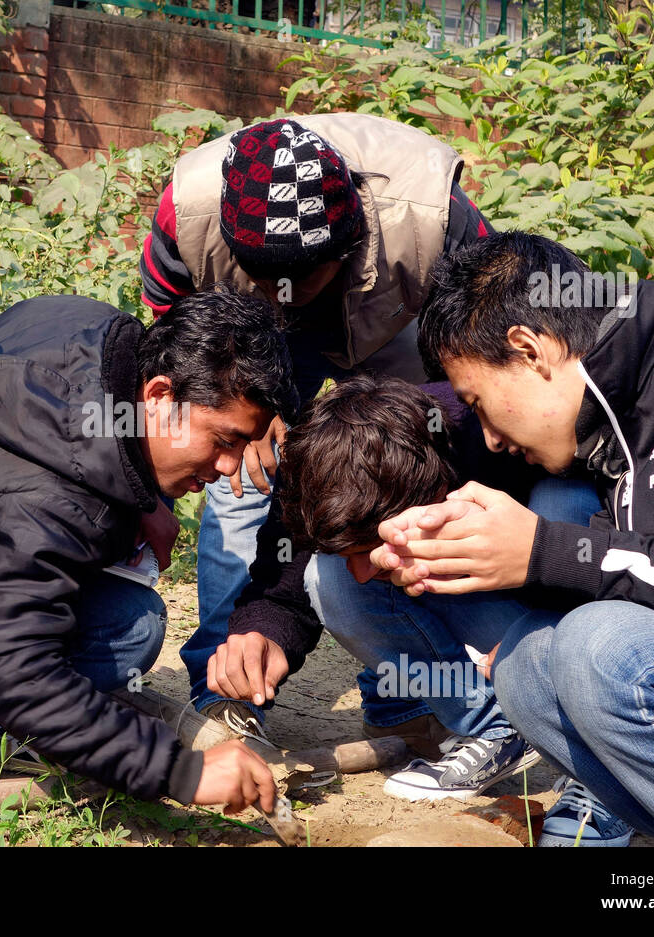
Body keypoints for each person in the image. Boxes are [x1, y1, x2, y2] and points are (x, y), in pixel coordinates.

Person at [0, 289, 298, 811]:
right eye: (223, 440)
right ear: (159, 396)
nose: (229, 467)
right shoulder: (43, 488)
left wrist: (135, 505)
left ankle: (12, 730)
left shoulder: (99, 337)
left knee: (112, 609)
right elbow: (16, 670)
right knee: (126, 627)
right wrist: (180, 772)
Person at [380, 230, 654, 845]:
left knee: (603, 650)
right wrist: (465, 551)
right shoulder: (617, 423)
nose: (489, 438)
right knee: (526, 668)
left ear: (529, 351)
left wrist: (550, 550)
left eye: (479, 402)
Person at [139, 113, 494, 734]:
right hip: (248, 338)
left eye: (300, 279)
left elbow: (485, 369)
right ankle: (227, 691)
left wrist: (391, 433)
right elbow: (172, 366)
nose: (284, 293)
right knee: (238, 477)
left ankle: (406, 691)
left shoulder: (435, 219)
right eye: (266, 276)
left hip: (401, 319)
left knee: (399, 481)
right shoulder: (186, 217)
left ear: (349, 241)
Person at [208, 374, 593, 800]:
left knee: (568, 501)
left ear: (433, 494)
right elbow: (280, 578)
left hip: (574, 603)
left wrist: (536, 632)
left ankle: (591, 750)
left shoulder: (497, 426)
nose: (361, 575)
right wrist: (265, 633)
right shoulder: (314, 464)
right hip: (484, 595)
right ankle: (497, 728)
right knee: (328, 575)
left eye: (371, 547)